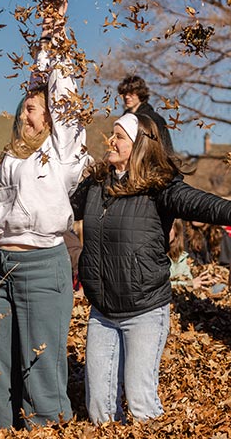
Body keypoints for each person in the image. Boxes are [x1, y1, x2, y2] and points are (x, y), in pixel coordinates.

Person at [73, 112, 231, 423]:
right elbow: (51, 207)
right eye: (112, 134)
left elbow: (203, 204)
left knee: (141, 403)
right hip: (102, 312)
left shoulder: (160, 187)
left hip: (144, 310)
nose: (111, 141)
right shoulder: (95, 185)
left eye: (119, 137)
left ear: (140, 146)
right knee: (100, 411)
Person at [0, 0, 89, 428]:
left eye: (32, 109)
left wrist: (56, 31)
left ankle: (46, 426)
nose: (24, 114)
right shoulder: (12, 155)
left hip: (43, 266)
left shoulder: (63, 153)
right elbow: (37, 84)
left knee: (41, 368)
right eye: (23, 108)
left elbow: (57, 92)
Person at [117, 75, 173, 153]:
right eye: (124, 93)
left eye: (131, 93)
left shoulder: (154, 119)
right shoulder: (122, 120)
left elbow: (166, 150)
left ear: (140, 93)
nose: (126, 97)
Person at [168, 219, 212, 289]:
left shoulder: (181, 256)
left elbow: (190, 280)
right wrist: (189, 284)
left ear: (176, 230)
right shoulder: (151, 255)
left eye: (169, 227)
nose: (164, 231)